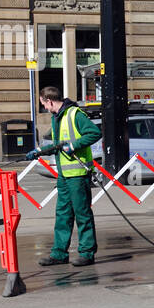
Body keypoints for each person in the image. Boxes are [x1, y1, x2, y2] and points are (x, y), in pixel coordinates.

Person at [26, 86, 101, 266]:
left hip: (77, 174)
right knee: (63, 215)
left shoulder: (75, 114)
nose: (45, 108)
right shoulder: (56, 118)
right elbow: (58, 144)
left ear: (49, 101)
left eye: (44, 104)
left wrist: (74, 146)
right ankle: (59, 253)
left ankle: (87, 253)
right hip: (64, 176)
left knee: (82, 214)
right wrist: (39, 151)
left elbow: (94, 133)